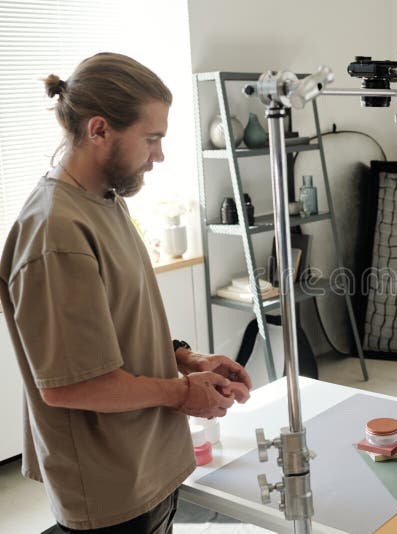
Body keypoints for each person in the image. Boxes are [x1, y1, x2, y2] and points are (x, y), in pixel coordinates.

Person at [0, 52, 252, 533]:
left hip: (147, 463)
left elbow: (119, 322)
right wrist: (182, 395)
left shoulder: (103, 199)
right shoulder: (56, 232)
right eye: (152, 138)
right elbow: (69, 384)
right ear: (99, 130)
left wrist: (186, 359)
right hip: (110, 483)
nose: (159, 154)